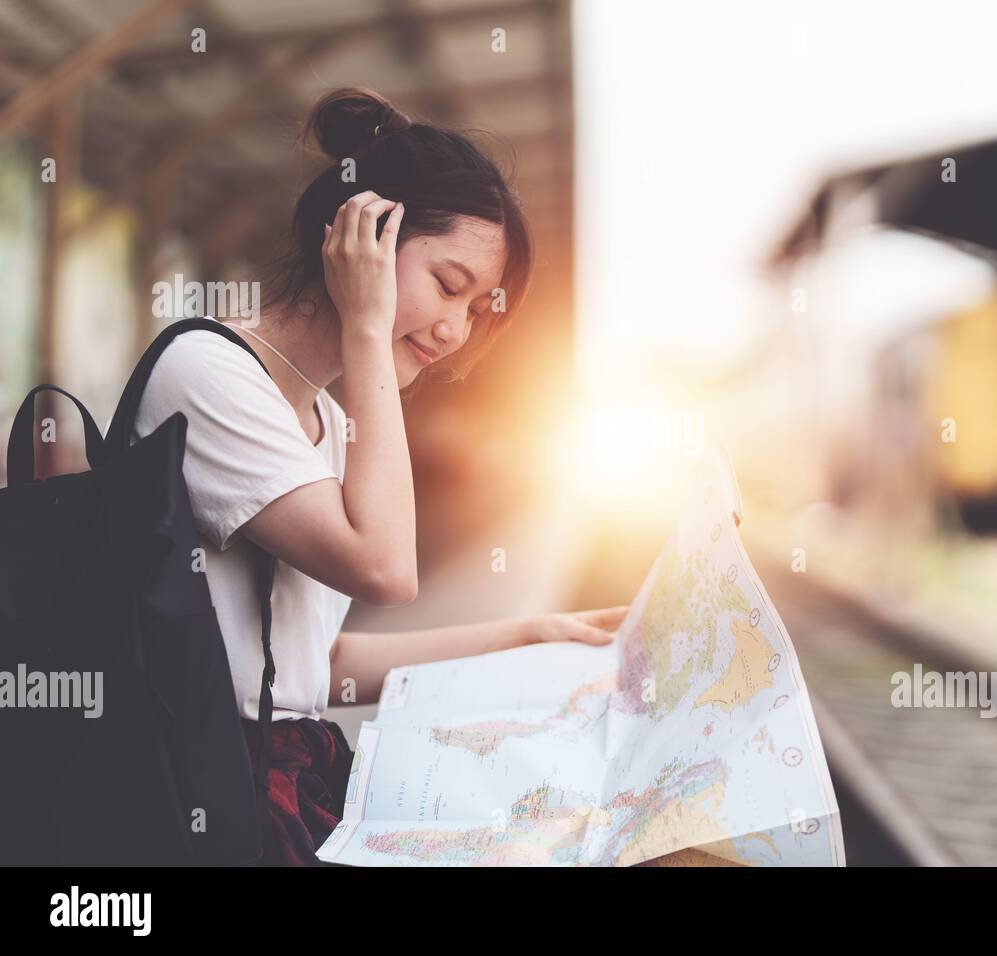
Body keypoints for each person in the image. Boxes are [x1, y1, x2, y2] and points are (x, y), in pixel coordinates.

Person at [129, 88, 626, 865]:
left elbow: (314, 669)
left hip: (270, 786)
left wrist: (530, 634)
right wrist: (366, 326)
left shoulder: (325, 426)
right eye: (449, 285)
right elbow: (387, 569)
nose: (454, 331)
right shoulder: (206, 373)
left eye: (476, 312)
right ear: (362, 236)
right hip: (183, 796)